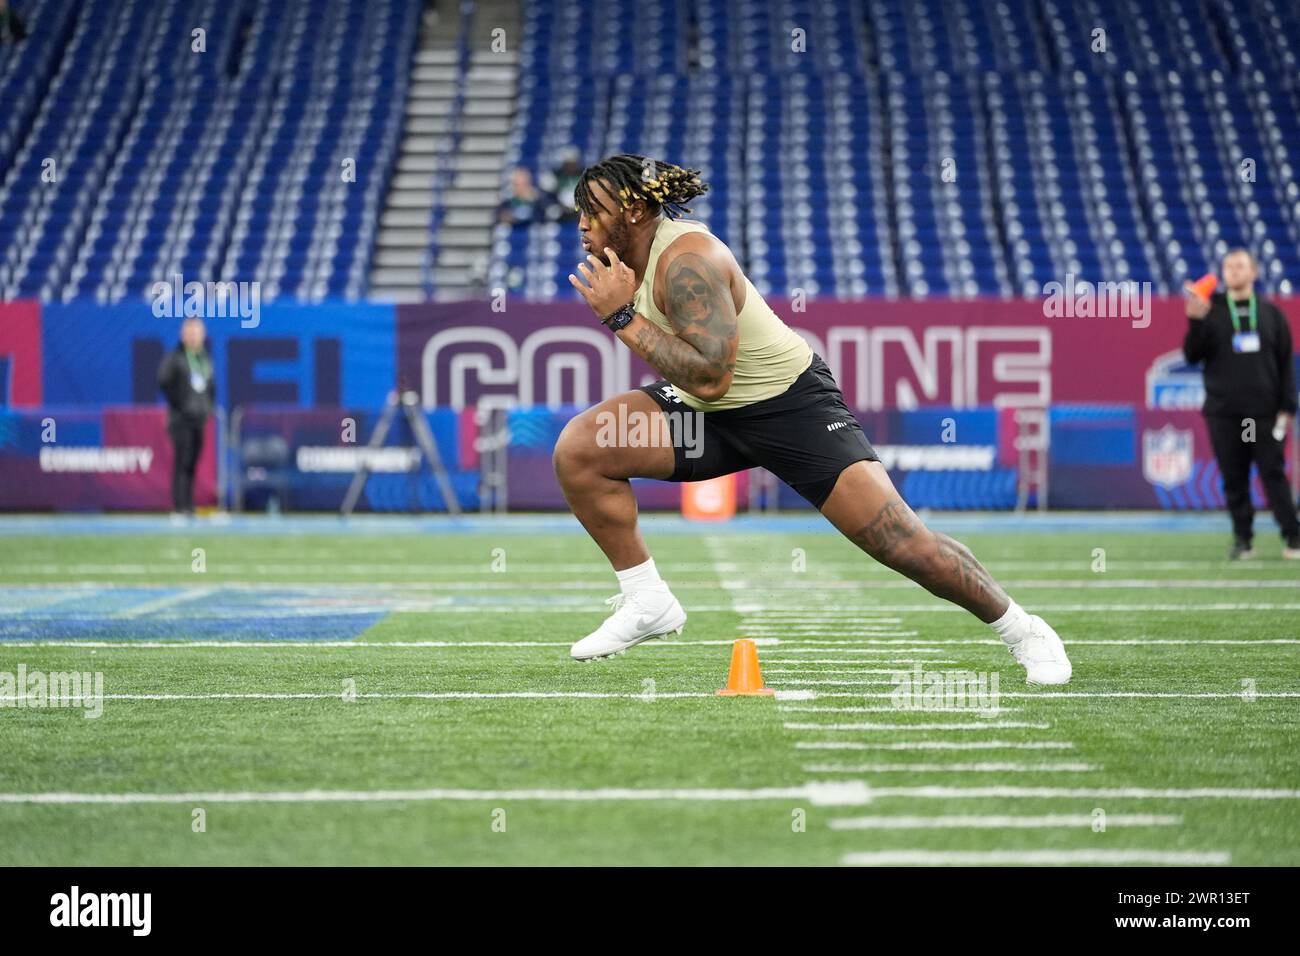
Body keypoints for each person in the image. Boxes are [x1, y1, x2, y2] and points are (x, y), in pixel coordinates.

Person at [556, 154, 1071, 683]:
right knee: (581, 450)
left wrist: (622, 318)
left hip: (787, 409)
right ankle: (647, 601)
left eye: (592, 211)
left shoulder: (689, 260)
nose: (582, 225)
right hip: (707, 414)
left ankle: (1023, 629)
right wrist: (625, 314)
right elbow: (704, 387)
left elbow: (713, 376)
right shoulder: (624, 263)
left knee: (902, 542)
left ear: (636, 210)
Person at [1184, 249, 1300, 559]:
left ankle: (1293, 537)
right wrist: (1195, 322)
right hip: (1224, 412)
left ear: (1254, 272)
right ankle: (1243, 539)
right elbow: (1192, 356)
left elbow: (1286, 362)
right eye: (1228, 266)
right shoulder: (1211, 311)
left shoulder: (1271, 314)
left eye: (1240, 265)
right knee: (1233, 477)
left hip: (1262, 412)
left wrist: (1288, 406)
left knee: (1272, 473)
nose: (1233, 271)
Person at [157, 318, 215, 517]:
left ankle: (189, 505)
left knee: (192, 463)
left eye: (197, 332)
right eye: (190, 332)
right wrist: (180, 404)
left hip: (199, 418)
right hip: (181, 419)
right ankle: (179, 506)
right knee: (182, 461)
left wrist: (208, 409)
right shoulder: (175, 358)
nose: (194, 336)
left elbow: (210, 387)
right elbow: (164, 381)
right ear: (183, 335)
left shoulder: (204, 358)